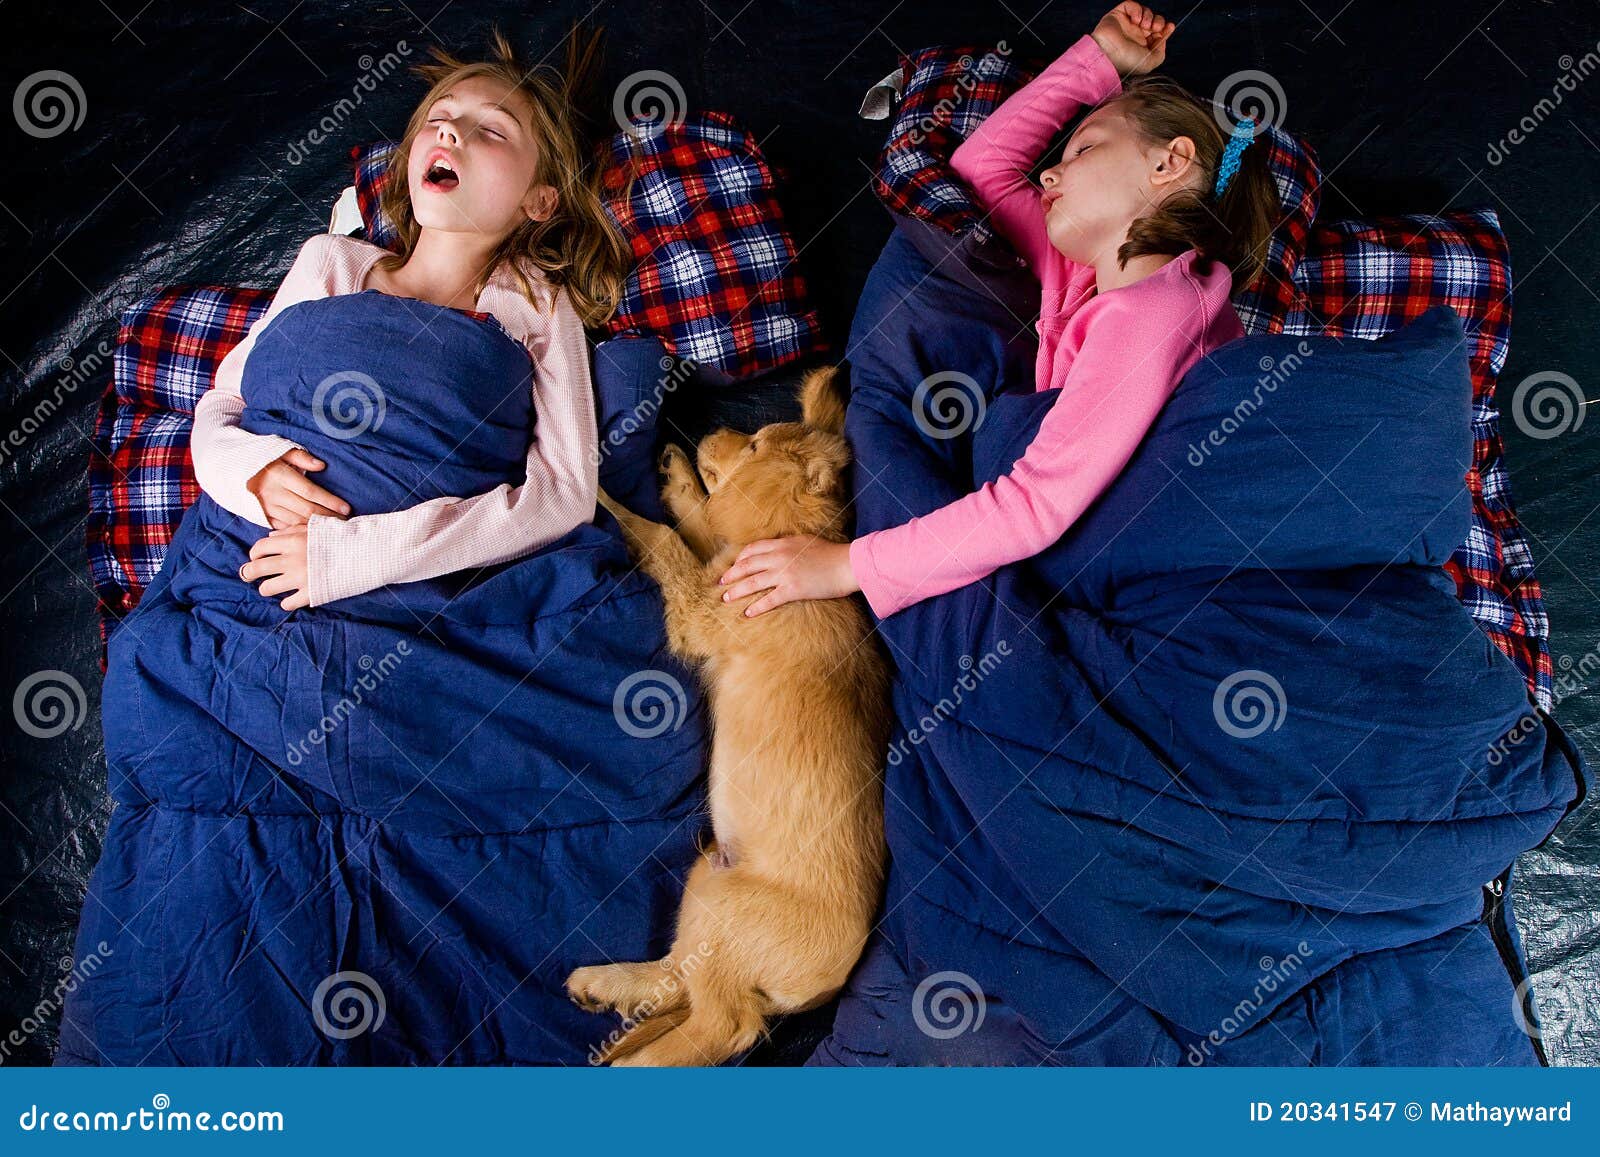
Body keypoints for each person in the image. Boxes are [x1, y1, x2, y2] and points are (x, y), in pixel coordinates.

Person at [716, 2, 1277, 619]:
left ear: (1167, 163)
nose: (1051, 174)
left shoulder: (1162, 309)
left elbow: (1037, 505)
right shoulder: (1082, 272)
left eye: (1084, 149)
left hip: (1151, 557)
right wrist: (1100, 60)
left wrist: (847, 565)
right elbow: (982, 173)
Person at [194, 28, 630, 609]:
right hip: (243, 558)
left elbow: (564, 493)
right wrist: (253, 475)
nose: (452, 130)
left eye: (493, 130)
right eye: (440, 117)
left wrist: (356, 556)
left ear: (539, 201)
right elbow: (224, 405)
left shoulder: (537, 303)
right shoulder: (331, 261)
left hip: (409, 590)